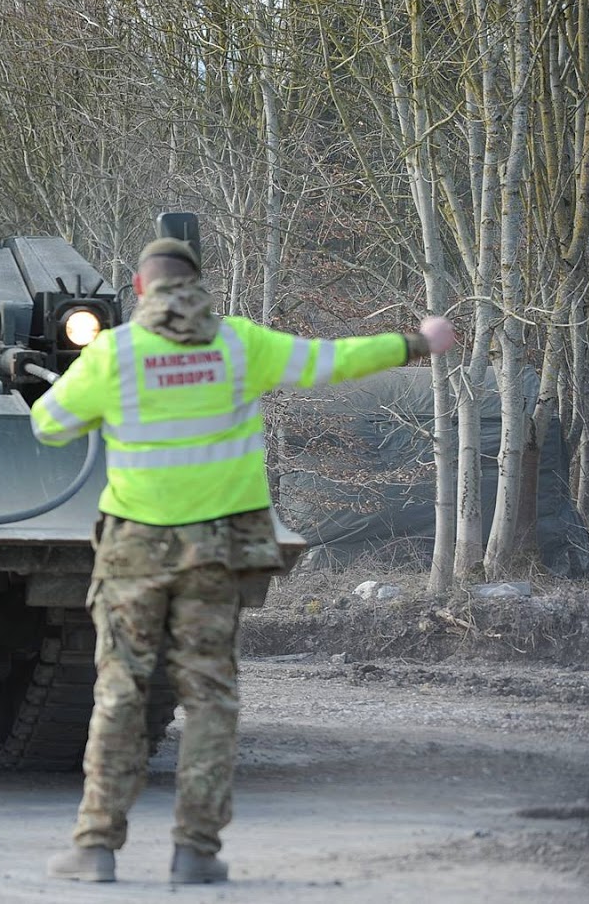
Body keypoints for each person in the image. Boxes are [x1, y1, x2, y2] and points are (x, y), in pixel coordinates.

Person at [32, 238, 456, 885]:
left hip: (134, 555)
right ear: (199, 285)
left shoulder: (114, 353)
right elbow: (330, 362)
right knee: (209, 697)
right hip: (217, 556)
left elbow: (49, 424)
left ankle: (95, 846)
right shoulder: (239, 344)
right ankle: (195, 850)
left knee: (119, 692)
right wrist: (414, 343)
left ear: (140, 290)